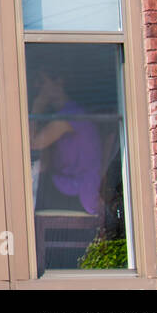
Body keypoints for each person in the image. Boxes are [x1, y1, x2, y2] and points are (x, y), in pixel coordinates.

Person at [29, 67, 103, 216]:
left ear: (59, 82)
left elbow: (33, 143)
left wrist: (37, 106)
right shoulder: (61, 115)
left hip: (79, 190)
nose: (37, 87)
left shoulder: (71, 115)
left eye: (41, 81)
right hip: (66, 185)